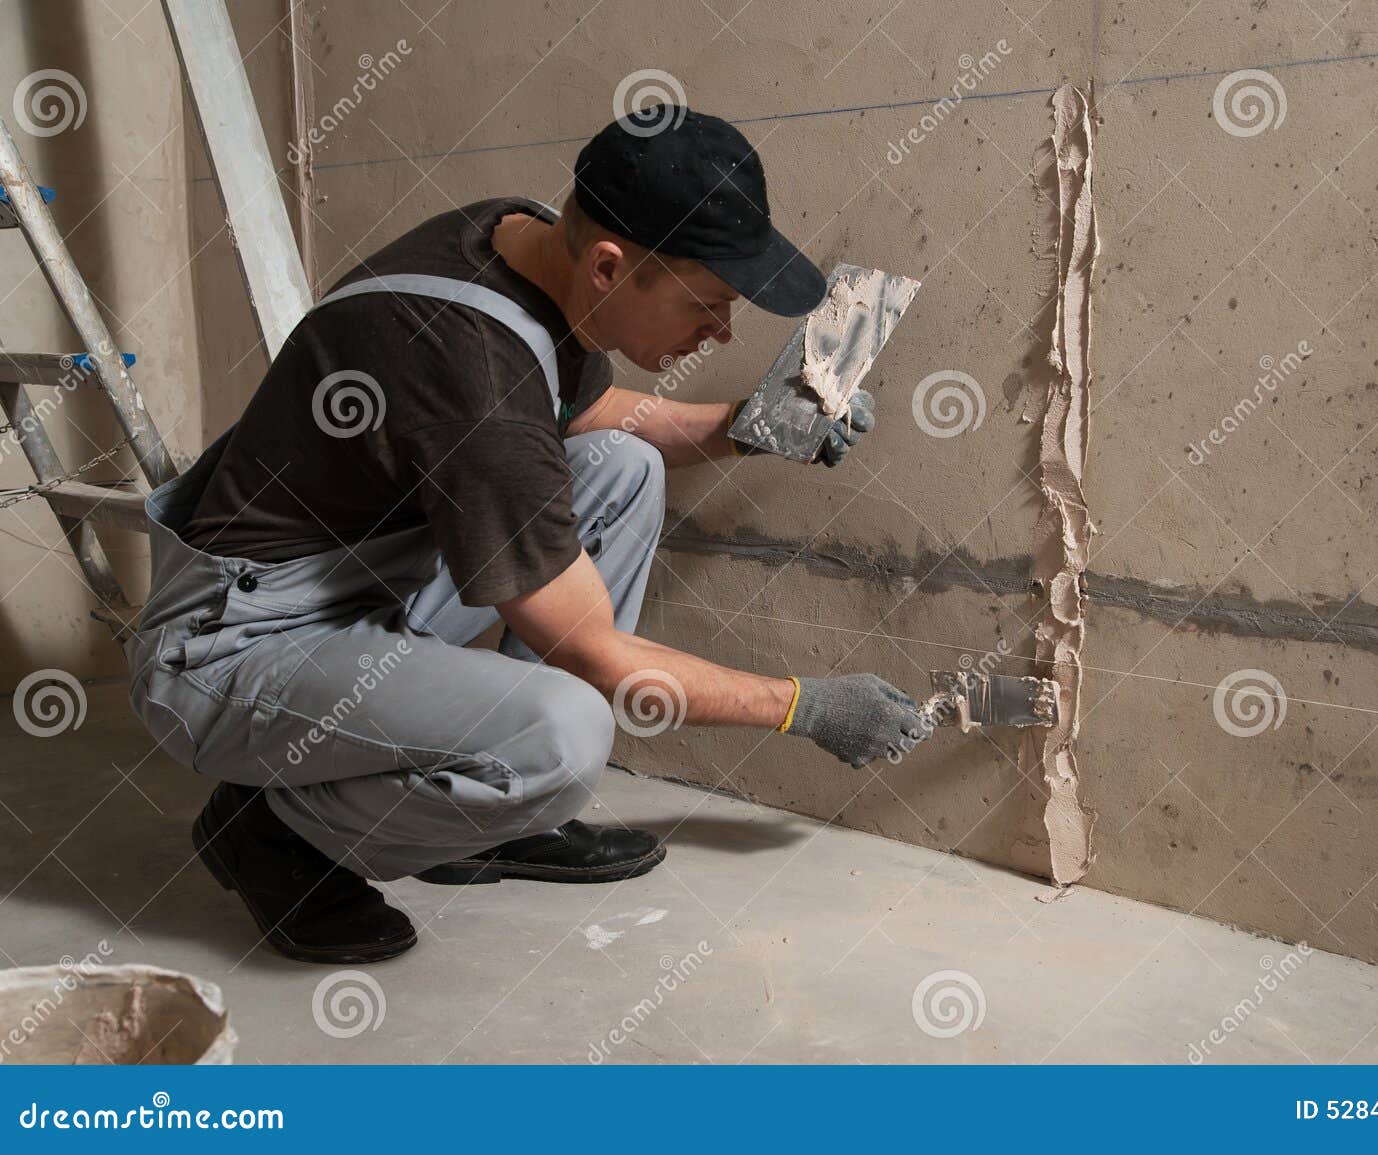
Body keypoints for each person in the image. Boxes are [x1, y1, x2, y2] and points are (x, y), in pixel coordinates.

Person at [122, 107, 928, 964]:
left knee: (621, 465)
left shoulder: (520, 245)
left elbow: (587, 414)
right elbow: (597, 658)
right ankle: (273, 830)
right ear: (611, 266)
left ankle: (483, 820)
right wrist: (804, 707)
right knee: (567, 732)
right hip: (228, 649)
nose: (721, 332)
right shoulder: (474, 374)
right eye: (710, 305)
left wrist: (746, 425)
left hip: (346, 589)